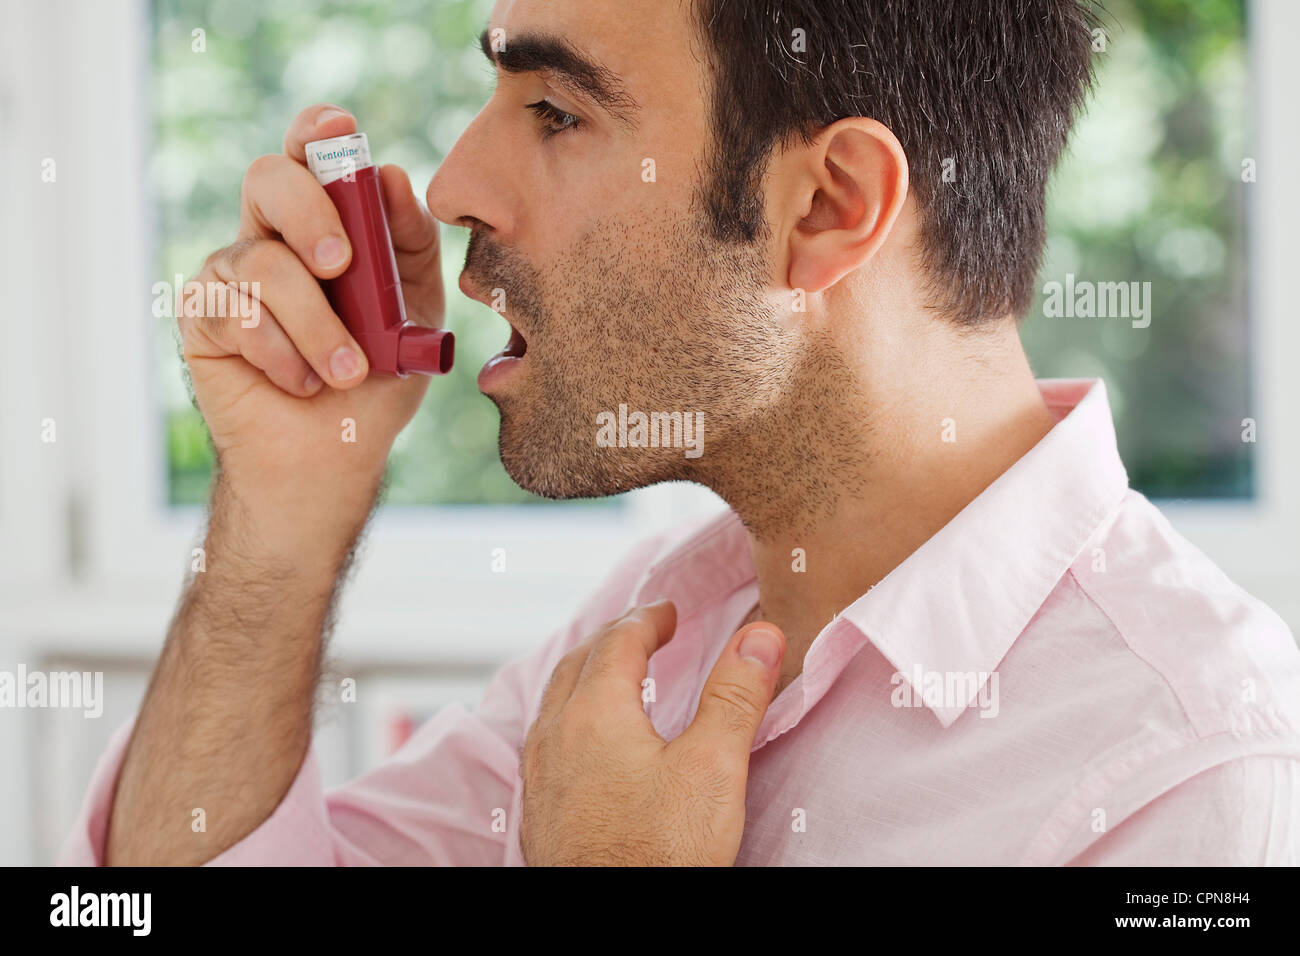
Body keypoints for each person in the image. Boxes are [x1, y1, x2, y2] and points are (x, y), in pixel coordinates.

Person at [62, 0, 1299, 866]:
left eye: (554, 111)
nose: (449, 192)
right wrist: (281, 520)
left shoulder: (1191, 771)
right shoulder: (653, 626)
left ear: (825, 206)